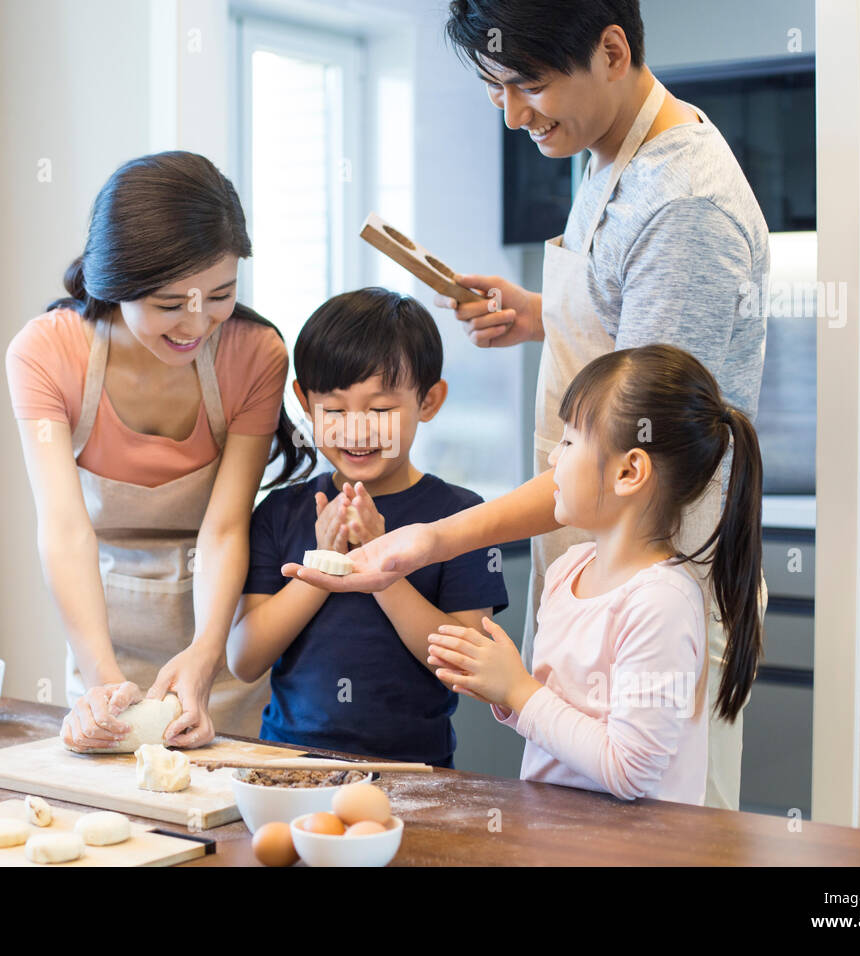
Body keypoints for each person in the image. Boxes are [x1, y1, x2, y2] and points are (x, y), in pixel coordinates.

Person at [291, 0, 770, 810]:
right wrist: (544, 315)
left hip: (653, 579)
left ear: (612, 51)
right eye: (494, 89)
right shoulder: (608, 149)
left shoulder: (686, 205)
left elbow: (638, 432)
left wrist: (427, 540)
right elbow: (633, 340)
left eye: (530, 86)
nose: (514, 115)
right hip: (597, 557)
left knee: (657, 826)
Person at [6, 151, 313, 751]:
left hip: (217, 632)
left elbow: (224, 529)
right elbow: (65, 530)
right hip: (103, 632)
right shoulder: (45, 354)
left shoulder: (255, 353)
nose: (196, 326)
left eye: (220, 295)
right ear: (114, 284)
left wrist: (204, 656)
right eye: (170, 305)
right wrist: (101, 679)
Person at [428, 344, 763, 804]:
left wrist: (519, 689)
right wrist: (502, 690)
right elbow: (561, 722)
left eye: (568, 441)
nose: (553, 460)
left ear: (629, 471)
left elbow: (630, 771)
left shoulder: (661, 602)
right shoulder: (568, 572)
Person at [229, 288, 508, 767]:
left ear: (430, 400)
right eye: (334, 410)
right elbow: (245, 658)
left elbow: (468, 666)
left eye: (380, 410)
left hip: (416, 771)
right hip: (288, 762)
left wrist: (383, 565)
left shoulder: (461, 518)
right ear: (303, 400)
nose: (357, 430)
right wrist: (326, 563)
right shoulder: (281, 511)